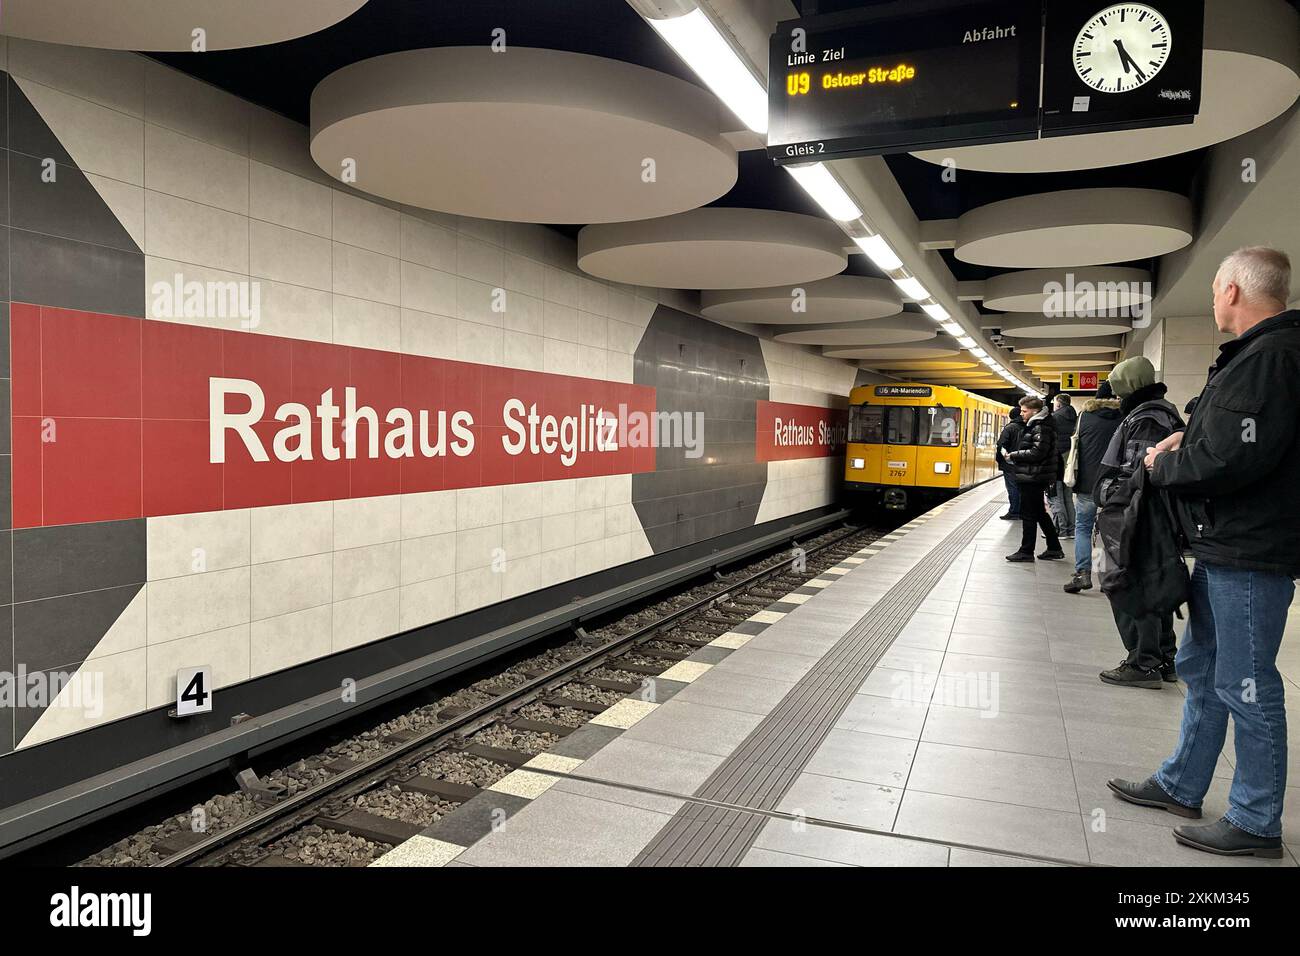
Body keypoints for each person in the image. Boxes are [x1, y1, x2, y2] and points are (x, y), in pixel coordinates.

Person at [1109, 246, 1300, 859]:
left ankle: (1255, 820)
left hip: (1251, 551)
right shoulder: (1255, 358)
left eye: (1217, 289)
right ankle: (1182, 783)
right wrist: (1183, 437)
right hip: (1228, 547)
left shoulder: (1270, 358)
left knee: (1246, 683)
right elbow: (1222, 437)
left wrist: (1163, 465)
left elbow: (1231, 458)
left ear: (1235, 291)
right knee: (1201, 669)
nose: (1214, 300)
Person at [1093, 356, 1184, 687]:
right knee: (1150, 581)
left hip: (1133, 516)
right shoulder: (1159, 412)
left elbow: (1138, 473)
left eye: (1119, 390)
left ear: (1129, 388)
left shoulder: (1146, 419)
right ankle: (1164, 659)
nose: (1116, 397)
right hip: (1146, 514)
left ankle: (1142, 662)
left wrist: (1110, 498)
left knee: (1127, 584)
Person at [1063, 381, 1122, 593]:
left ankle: (1082, 574)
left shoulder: (1084, 417)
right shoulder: (1124, 418)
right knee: (1106, 531)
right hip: (1114, 484)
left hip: (1088, 483)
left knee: (1083, 528)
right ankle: (1105, 577)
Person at [1004, 397, 1064, 562]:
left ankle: (1026, 551)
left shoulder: (1040, 427)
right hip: (1036, 475)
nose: (1021, 414)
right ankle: (1054, 547)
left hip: (1034, 476)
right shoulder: (1042, 425)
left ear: (1035, 411)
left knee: (1028, 514)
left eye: (1024, 411)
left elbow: (1037, 452)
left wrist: (1014, 455)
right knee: (1039, 513)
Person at [1047, 394, 1078, 537]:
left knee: (1055, 496)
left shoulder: (1054, 418)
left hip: (1057, 460)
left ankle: (1061, 530)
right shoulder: (1076, 417)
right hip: (1070, 462)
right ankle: (1071, 529)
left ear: (1058, 404)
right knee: (1068, 498)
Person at [995, 407, 1024, 520]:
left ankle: (1014, 512)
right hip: (1024, 462)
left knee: (1012, 488)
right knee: (1021, 488)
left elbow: (1001, 445)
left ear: (1011, 416)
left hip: (1010, 463)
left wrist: (1003, 459)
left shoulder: (1010, 428)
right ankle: (1021, 511)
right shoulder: (1028, 426)